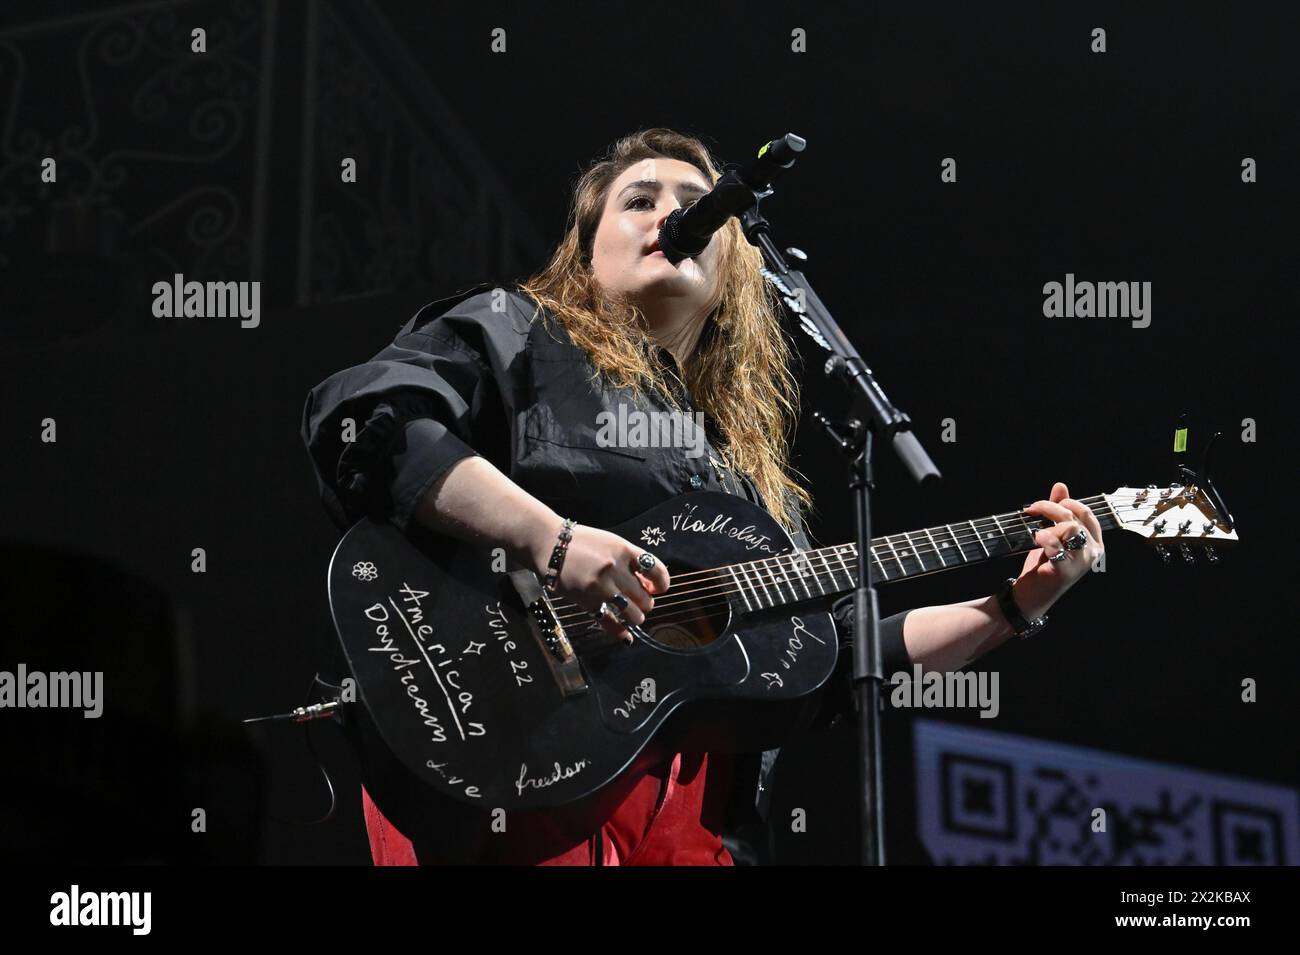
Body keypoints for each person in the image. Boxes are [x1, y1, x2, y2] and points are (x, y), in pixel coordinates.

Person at [300, 128, 1105, 865]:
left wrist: (1017, 603)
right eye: (639, 201)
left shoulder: (746, 481)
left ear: (735, 265)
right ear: (586, 253)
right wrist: (554, 539)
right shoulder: (518, 332)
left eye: (695, 207)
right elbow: (374, 422)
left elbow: (832, 663)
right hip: (513, 769)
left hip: (691, 828)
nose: (672, 217)